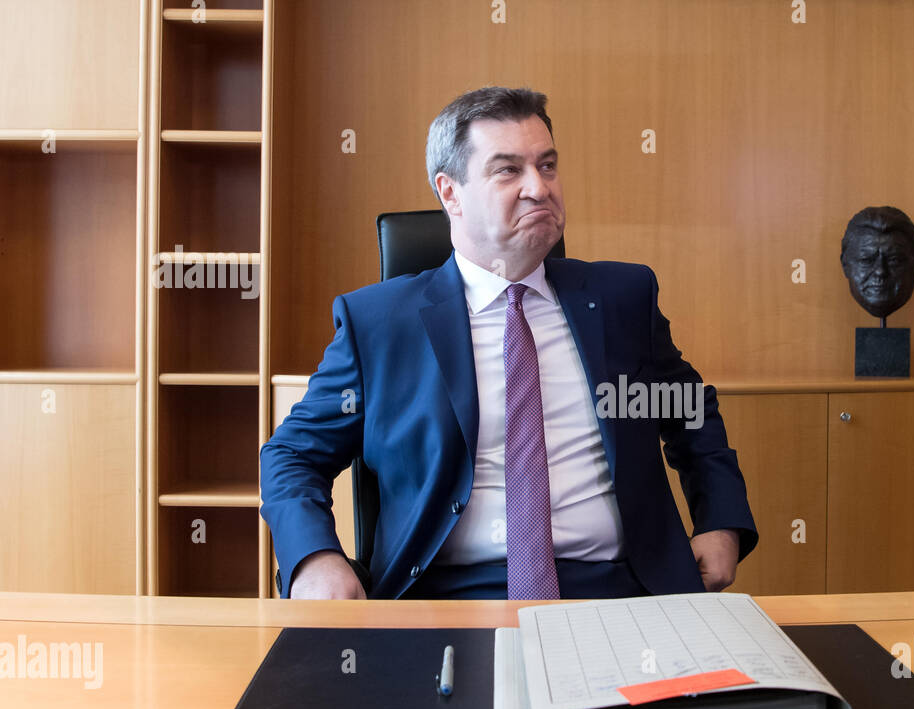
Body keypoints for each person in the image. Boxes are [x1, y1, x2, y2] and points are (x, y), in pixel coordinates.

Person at [260, 86, 757, 600]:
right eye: (508, 170)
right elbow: (293, 455)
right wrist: (314, 559)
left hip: (620, 589)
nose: (539, 188)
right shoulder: (379, 324)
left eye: (547, 165)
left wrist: (720, 521)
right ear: (449, 191)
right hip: (447, 597)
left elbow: (689, 412)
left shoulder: (622, 298)